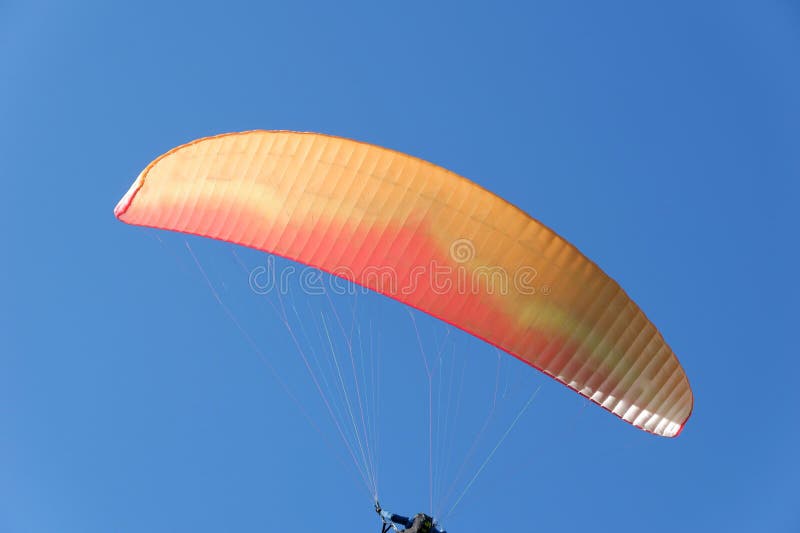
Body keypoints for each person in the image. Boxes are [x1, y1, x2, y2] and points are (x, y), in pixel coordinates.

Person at [375, 502, 447, 533]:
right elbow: (393, 517)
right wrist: (381, 512)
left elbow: (393, 517)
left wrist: (381, 512)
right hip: (422, 521)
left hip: (425, 522)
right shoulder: (409, 525)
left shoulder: (409, 525)